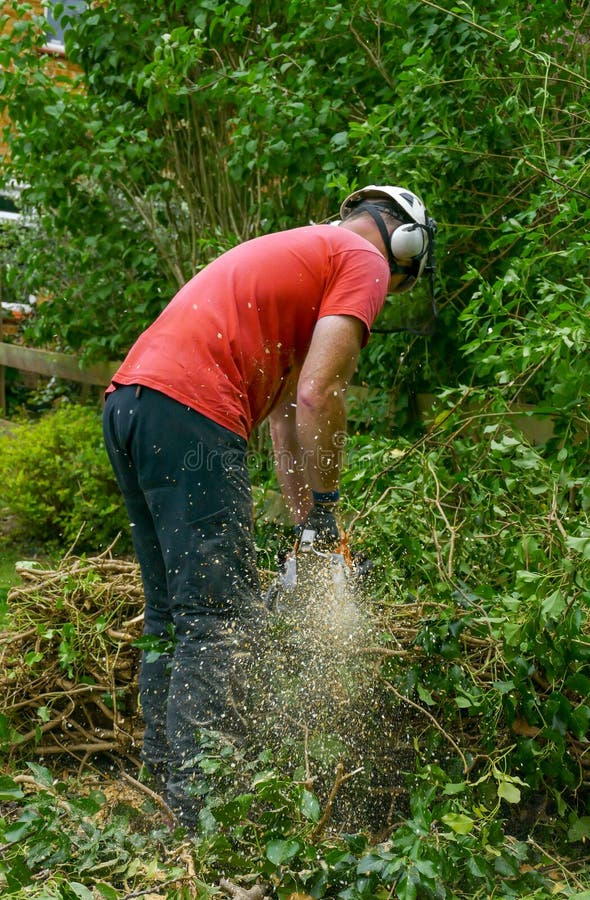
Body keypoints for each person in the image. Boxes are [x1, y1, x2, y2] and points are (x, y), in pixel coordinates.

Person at [102, 183, 436, 827]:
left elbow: (286, 419)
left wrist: (309, 523)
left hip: (132, 405)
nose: (384, 298)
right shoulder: (363, 260)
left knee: (171, 612)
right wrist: (333, 503)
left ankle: (163, 788)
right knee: (222, 619)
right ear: (404, 248)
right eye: (399, 286)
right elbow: (320, 395)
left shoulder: (306, 259)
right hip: (191, 410)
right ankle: (199, 817)